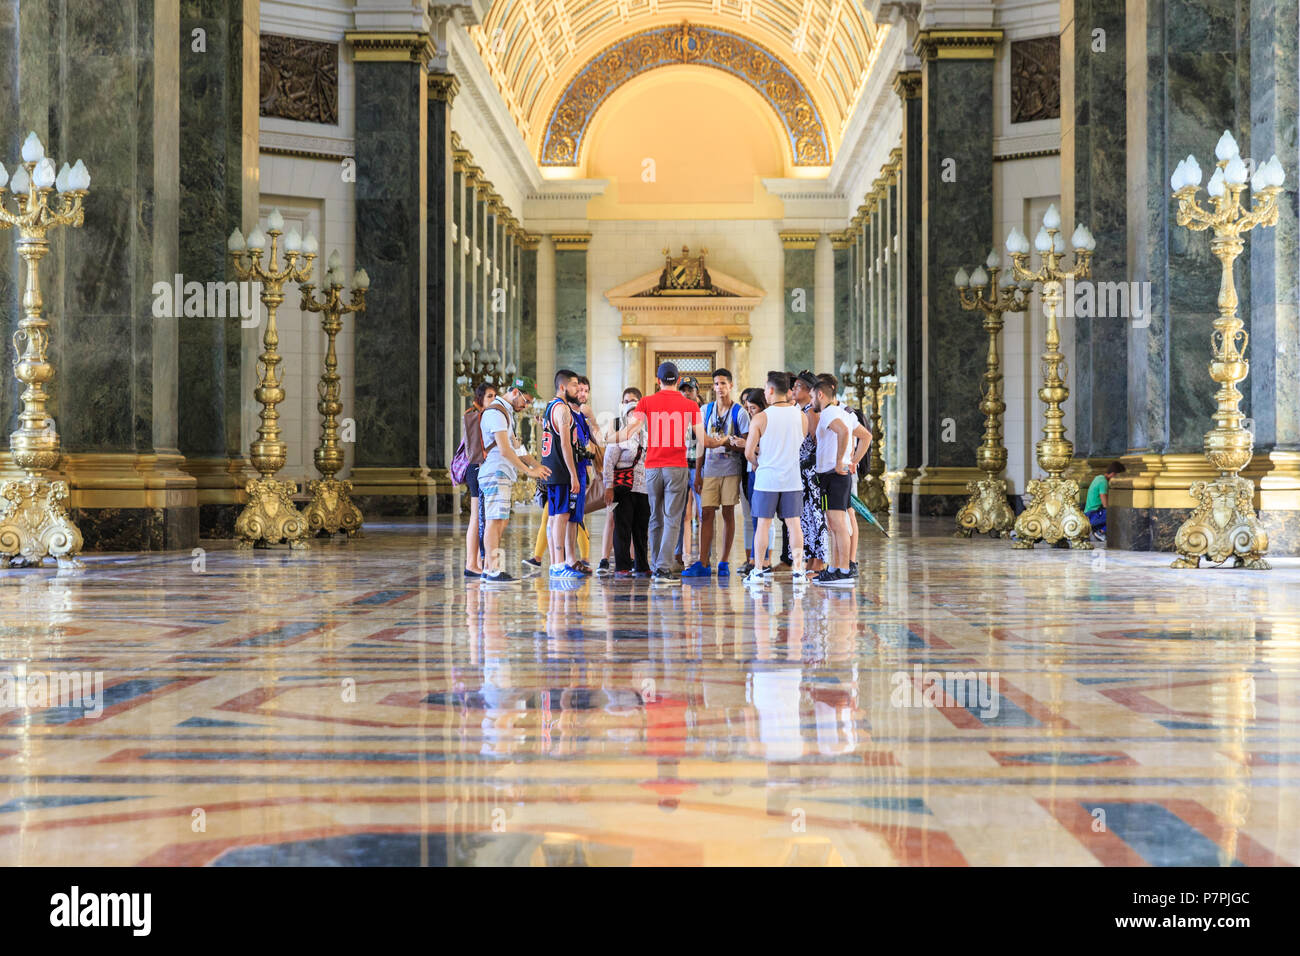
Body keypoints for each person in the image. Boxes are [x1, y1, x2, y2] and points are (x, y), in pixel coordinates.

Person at [628, 361, 701, 584]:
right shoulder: (690, 405)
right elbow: (702, 441)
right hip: (676, 466)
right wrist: (721, 442)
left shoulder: (646, 402)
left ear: (657, 381)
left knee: (655, 517)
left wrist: (606, 438)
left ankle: (654, 565)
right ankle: (663, 568)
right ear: (678, 381)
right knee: (672, 519)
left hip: (652, 466)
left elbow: (632, 430)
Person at [477, 380, 550, 584]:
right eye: (525, 401)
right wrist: (528, 471)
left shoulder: (506, 414)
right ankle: (492, 569)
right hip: (495, 471)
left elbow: (517, 447)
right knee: (494, 520)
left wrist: (537, 466)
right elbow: (504, 449)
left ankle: (491, 568)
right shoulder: (496, 413)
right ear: (515, 392)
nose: (525, 406)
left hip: (503, 472)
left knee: (501, 520)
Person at [744, 371, 808, 586]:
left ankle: (759, 570)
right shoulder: (801, 416)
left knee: (763, 524)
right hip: (792, 477)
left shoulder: (761, 417)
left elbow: (748, 451)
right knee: (794, 525)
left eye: (765, 389)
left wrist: (758, 463)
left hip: (767, 478)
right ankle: (798, 570)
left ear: (770, 390)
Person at [684, 368, 749, 577]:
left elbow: (748, 445)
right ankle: (703, 561)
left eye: (723, 383)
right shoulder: (706, 410)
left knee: (728, 513)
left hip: (730, 469)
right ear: (713, 387)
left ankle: (723, 561)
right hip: (710, 469)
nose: (720, 387)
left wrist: (729, 443)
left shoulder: (740, 412)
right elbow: (702, 443)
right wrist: (698, 472)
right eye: (716, 384)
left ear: (730, 385)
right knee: (707, 513)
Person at [811, 375, 871, 587]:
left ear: (820, 394)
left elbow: (844, 432)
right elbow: (866, 436)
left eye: (812, 396)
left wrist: (840, 461)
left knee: (838, 524)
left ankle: (844, 570)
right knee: (834, 524)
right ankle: (836, 568)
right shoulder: (843, 413)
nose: (811, 401)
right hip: (835, 475)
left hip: (834, 475)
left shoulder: (828, 413)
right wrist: (853, 461)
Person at [541, 370, 588, 580]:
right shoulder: (563, 409)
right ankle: (559, 564)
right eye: (574, 385)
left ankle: (555, 563)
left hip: (550, 468)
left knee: (553, 517)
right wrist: (573, 474)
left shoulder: (549, 407)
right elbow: (566, 444)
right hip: (561, 470)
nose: (578, 389)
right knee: (561, 516)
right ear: (563, 387)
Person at [603, 387, 650, 578]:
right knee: (622, 527)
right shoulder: (619, 435)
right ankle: (622, 565)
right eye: (630, 414)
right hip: (623, 487)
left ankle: (641, 564)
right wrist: (608, 487)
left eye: (637, 414)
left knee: (641, 529)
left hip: (643, 487)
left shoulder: (647, 435)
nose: (634, 418)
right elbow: (608, 462)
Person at [791, 370, 828, 574]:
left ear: (808, 390)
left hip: (811, 472)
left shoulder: (811, 412)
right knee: (806, 516)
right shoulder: (801, 410)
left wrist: (808, 463)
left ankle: (818, 560)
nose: (794, 389)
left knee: (815, 515)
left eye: (797, 386)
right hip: (801, 471)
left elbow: (815, 444)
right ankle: (811, 559)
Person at [462, 381, 495, 579]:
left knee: (478, 517)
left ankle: (474, 562)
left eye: (494, 395)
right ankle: (472, 563)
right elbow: (476, 448)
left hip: (478, 467)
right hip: (477, 468)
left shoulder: (482, 416)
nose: (493, 399)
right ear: (480, 399)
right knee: (477, 517)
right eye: (489, 396)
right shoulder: (476, 416)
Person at [735, 387, 766, 576]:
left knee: (762, 518)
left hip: (760, 470)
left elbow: (762, 448)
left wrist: (746, 446)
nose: (749, 412)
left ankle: (761, 560)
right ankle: (754, 558)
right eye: (747, 408)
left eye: (753, 408)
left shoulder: (765, 420)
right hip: (751, 471)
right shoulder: (755, 420)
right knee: (754, 517)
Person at [674, 376, 703, 570]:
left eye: (689, 390)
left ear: (696, 391)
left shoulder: (703, 412)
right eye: (682, 390)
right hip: (679, 466)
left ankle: (703, 556)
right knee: (679, 512)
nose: (686, 393)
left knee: (703, 512)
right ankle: (678, 553)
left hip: (699, 467)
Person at [1084, 460, 1125, 541]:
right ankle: (1100, 532)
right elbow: (1104, 502)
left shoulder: (1098, 478)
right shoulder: (1103, 482)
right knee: (1115, 514)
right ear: (1113, 474)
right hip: (1092, 515)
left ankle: (1096, 530)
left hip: (1088, 514)